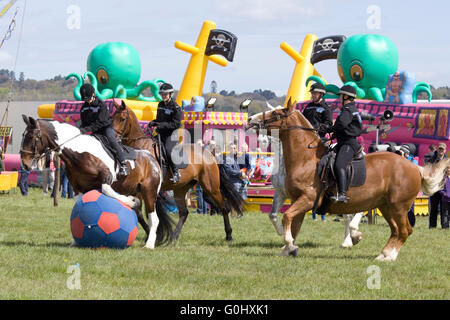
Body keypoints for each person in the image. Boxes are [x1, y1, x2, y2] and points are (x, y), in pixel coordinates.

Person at [79, 83, 129, 176]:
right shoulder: (84, 107)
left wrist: (87, 129)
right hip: (93, 130)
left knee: (112, 140)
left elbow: (100, 122)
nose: (88, 101)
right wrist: (81, 130)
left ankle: (123, 164)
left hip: (105, 128)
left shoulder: (101, 105)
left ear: (93, 94)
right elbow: (84, 122)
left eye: (89, 98)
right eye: (86, 99)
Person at [330, 85, 362, 203]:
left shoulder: (348, 109)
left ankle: (342, 194)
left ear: (346, 97)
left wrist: (330, 129)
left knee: (339, 165)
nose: (339, 98)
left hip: (348, 143)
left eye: (341, 96)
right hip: (343, 141)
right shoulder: (351, 109)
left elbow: (342, 124)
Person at [148, 83, 182, 183]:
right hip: (159, 133)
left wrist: (161, 125)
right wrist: (154, 122)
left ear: (170, 94)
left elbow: (176, 124)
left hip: (170, 135)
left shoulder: (175, 107)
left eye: (165, 94)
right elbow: (159, 120)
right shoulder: (160, 105)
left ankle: (176, 173)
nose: (163, 96)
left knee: (168, 150)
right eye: (162, 94)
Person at [397, 145, 418, 227]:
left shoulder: (413, 161)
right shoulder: (398, 160)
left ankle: (411, 223)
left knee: (410, 206)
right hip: (400, 187)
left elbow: (412, 170)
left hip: (410, 187)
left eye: (402, 152)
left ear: (406, 153)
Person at [223, 143, 246, 218]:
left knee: (241, 197)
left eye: (235, 148)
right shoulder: (227, 159)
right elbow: (229, 170)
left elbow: (244, 166)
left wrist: (245, 173)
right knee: (233, 198)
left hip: (240, 180)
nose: (235, 150)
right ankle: (232, 213)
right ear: (229, 149)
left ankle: (239, 213)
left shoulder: (237, 158)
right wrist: (240, 174)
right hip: (233, 181)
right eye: (233, 148)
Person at [428, 142, 448, 228]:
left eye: (442, 149)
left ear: (445, 150)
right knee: (434, 208)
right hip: (434, 187)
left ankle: (445, 226)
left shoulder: (447, 161)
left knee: (445, 208)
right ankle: (432, 226)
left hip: (444, 187)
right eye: (439, 149)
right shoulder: (431, 160)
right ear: (437, 149)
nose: (441, 150)